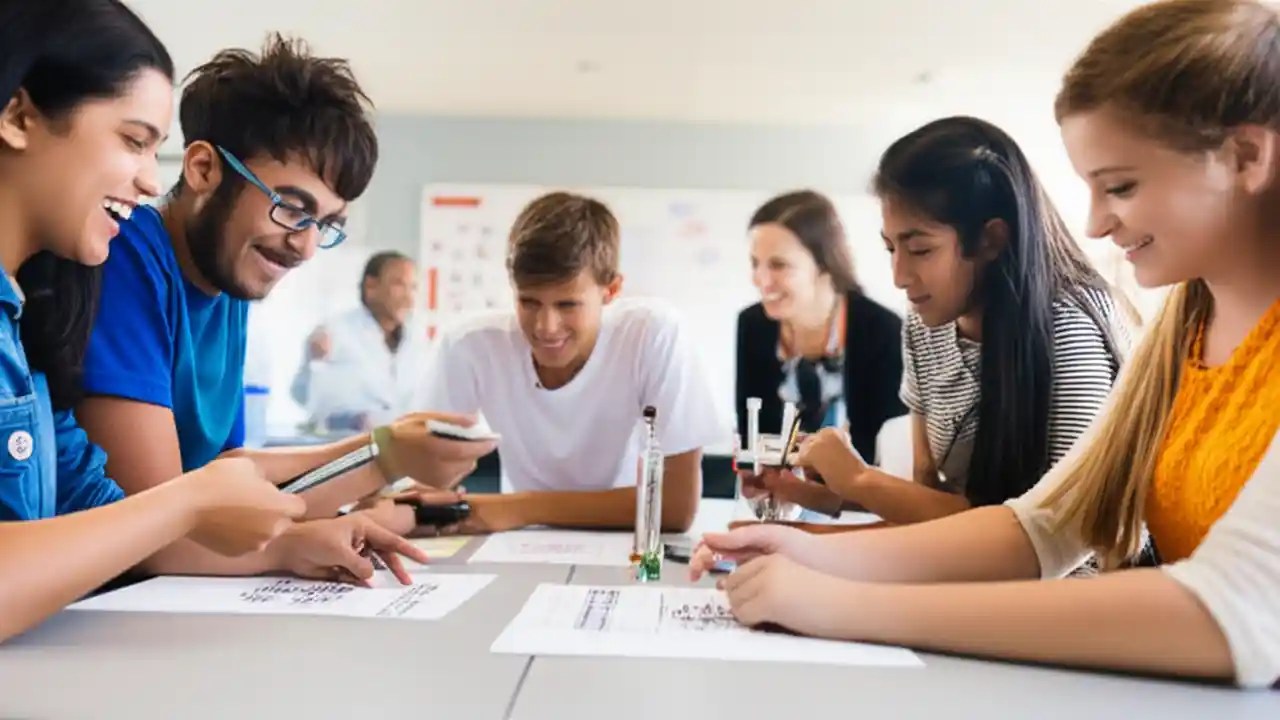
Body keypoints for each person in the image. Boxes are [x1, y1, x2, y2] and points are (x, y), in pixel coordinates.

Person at [691, 0, 1280, 689]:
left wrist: (844, 603)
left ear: (1245, 156)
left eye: (1120, 186)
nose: (1093, 224)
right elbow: (1042, 527)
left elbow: (1240, 612)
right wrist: (804, 550)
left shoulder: (1081, 324)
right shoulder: (1185, 322)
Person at [72, 34, 488, 576]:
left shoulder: (225, 283)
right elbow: (155, 521)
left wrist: (383, 452)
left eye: (327, 224)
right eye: (293, 208)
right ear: (202, 170)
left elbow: (228, 480)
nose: (307, 245)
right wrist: (299, 538)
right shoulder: (126, 259)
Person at [0, 0, 325, 643]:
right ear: (18, 116)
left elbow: (110, 520)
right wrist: (191, 502)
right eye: (133, 140)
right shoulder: (127, 270)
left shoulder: (28, 332)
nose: (152, 181)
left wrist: (289, 549)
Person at [749, 117, 1132, 525]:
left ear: (991, 240)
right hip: (974, 577)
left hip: (1067, 586)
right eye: (890, 248)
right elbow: (933, 505)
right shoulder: (924, 325)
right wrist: (825, 498)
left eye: (920, 250)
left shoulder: (1069, 332)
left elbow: (1056, 531)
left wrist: (859, 481)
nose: (899, 276)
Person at [418, 191, 725, 533]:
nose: (545, 327)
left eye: (567, 305)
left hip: (628, 543)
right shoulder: (468, 344)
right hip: (520, 544)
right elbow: (422, 486)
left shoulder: (653, 333)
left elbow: (674, 509)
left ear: (611, 290)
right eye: (529, 302)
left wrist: (524, 508)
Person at [736, 190, 905, 465]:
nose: (760, 279)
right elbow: (752, 435)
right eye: (755, 263)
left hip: (860, 501)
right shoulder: (753, 325)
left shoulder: (881, 330)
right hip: (780, 497)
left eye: (779, 265)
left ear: (825, 263)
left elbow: (885, 452)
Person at [290, 250, 426, 431]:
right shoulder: (334, 331)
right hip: (347, 445)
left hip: (401, 445)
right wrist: (311, 359)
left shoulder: (416, 339)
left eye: (414, 287)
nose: (409, 297)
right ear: (371, 287)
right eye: (399, 284)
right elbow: (302, 395)